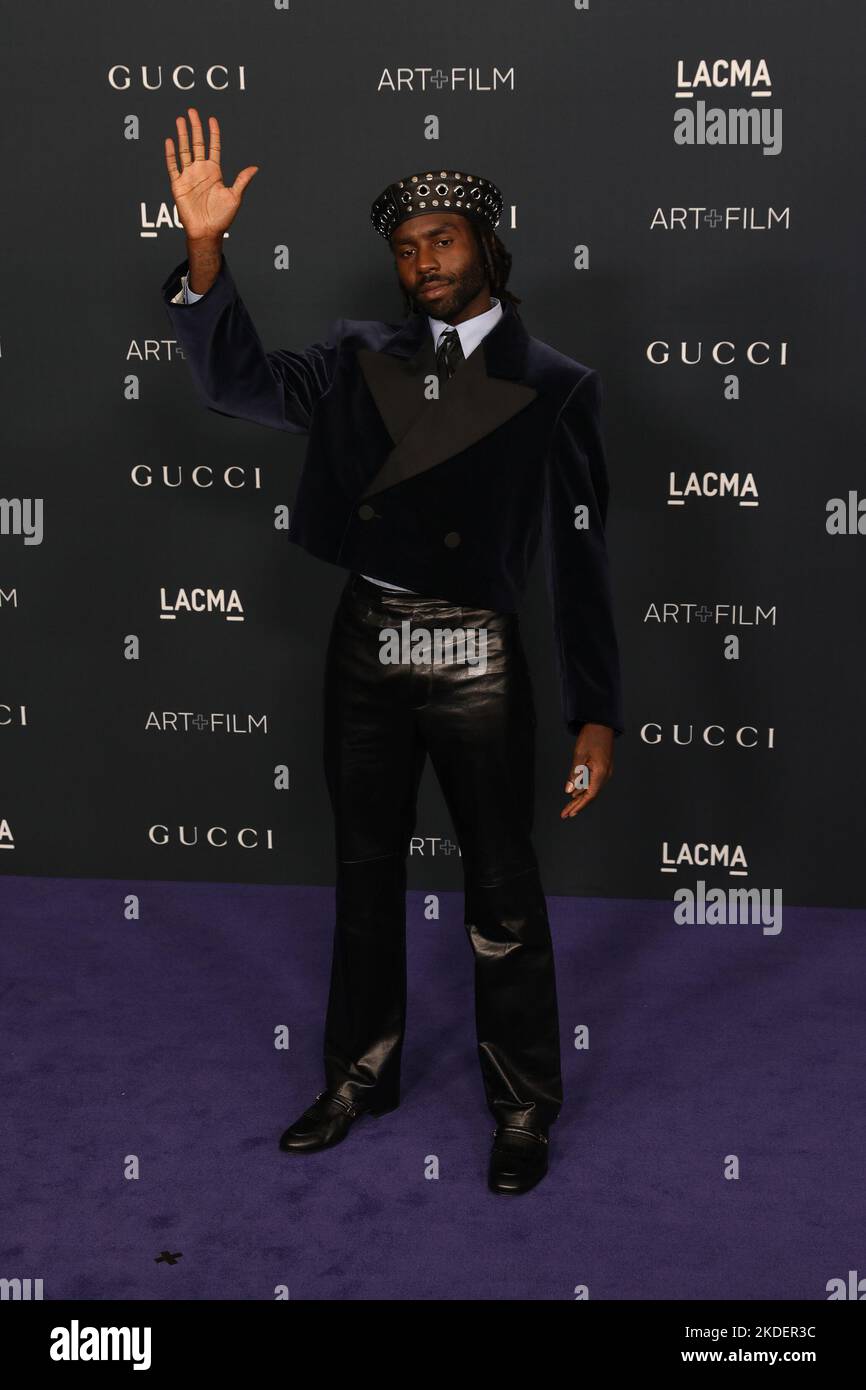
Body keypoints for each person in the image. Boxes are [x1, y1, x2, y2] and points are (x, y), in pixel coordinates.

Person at [161, 107, 624, 1195]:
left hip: (478, 656)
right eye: (407, 248)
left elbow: (578, 558)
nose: (423, 261)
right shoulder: (352, 354)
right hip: (366, 639)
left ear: (486, 248)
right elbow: (235, 387)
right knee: (364, 879)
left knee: (501, 897)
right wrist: (204, 250)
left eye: (443, 240)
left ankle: (520, 1105)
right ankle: (358, 1078)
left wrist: (595, 712)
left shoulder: (556, 383)